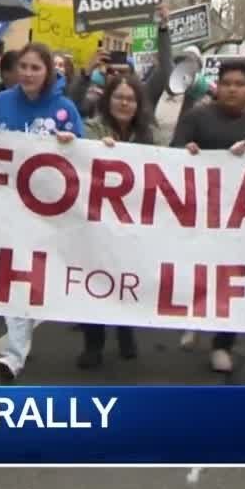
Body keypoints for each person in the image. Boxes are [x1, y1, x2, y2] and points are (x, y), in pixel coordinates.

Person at [0, 42, 83, 382]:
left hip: (49, 210)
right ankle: (14, 353)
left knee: (40, 275)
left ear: (48, 72)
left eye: (35, 68)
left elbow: (85, 158)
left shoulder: (65, 108)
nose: (27, 73)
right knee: (15, 277)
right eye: (23, 66)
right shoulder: (1, 102)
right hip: (8, 205)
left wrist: (72, 143)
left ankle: (35, 327)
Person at [168, 58, 245, 374]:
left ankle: (223, 343)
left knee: (232, 277)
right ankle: (195, 317)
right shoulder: (196, 116)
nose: (232, 90)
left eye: (240, 84)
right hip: (198, 210)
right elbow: (173, 152)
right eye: (227, 83)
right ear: (218, 86)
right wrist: (190, 153)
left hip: (241, 215)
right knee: (198, 268)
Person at [75, 72, 164, 369]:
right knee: (96, 279)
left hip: (134, 220)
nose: (124, 103)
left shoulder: (151, 136)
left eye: (130, 99)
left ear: (139, 104)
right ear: (107, 100)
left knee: (127, 277)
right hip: (97, 219)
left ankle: (126, 330)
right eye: (119, 97)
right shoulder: (91, 129)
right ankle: (93, 343)